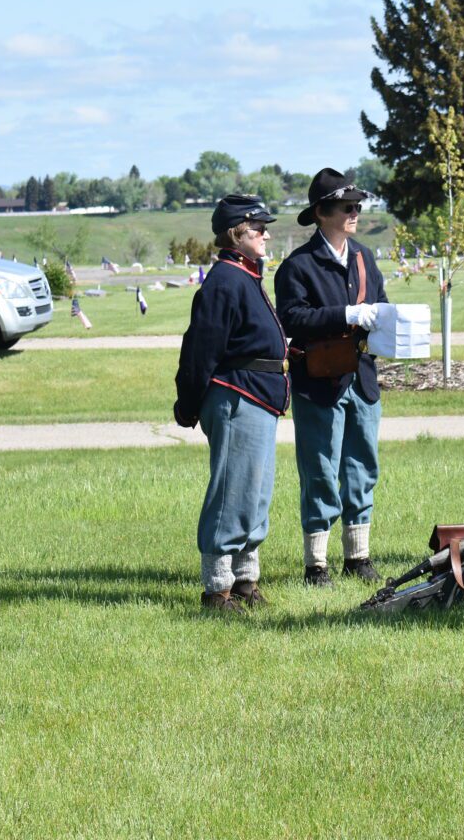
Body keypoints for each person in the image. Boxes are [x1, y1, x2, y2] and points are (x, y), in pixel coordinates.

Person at [173, 194, 288, 614]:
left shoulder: (244, 275)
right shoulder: (224, 281)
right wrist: (188, 403)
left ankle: (244, 580)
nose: (266, 234)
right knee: (232, 493)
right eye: (259, 227)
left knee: (255, 493)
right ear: (237, 232)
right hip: (238, 396)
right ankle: (216, 590)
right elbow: (200, 351)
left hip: (257, 395)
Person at [275, 168, 387, 586]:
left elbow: (381, 304)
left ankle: (358, 557)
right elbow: (291, 318)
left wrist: (386, 326)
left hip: (362, 377)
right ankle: (316, 564)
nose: (355, 212)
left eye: (358, 205)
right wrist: (346, 314)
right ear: (322, 213)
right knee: (321, 469)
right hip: (319, 379)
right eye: (347, 206)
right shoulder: (297, 266)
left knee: (362, 467)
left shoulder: (363, 257)